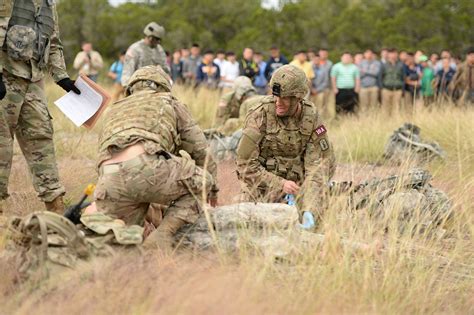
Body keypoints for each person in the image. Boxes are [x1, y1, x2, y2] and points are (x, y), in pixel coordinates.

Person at [94, 65, 218, 252]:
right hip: (146, 169)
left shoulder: (113, 110)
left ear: (131, 88)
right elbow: (201, 151)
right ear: (162, 86)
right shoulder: (168, 101)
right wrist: (212, 191)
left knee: (121, 249)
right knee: (204, 181)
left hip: (108, 181)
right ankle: (162, 235)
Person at [0, 0, 81, 214]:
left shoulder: (49, 4)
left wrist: (61, 76)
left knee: (42, 139)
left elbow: (53, 42)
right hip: (6, 74)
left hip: (33, 80)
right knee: (1, 145)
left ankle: (56, 212)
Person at [235, 65, 336, 227]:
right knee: (247, 227)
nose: (278, 102)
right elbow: (245, 165)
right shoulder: (259, 115)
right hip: (261, 188)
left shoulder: (311, 117)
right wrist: (280, 184)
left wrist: (310, 208)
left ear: (298, 98)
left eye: (285, 98)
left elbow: (318, 167)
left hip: (299, 189)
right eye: (276, 96)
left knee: (317, 225)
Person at [121, 22, 169, 86]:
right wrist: (127, 87)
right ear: (150, 37)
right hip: (138, 86)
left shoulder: (160, 50)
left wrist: (161, 69)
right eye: (157, 39)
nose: (159, 42)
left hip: (157, 87)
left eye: (160, 39)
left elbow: (166, 69)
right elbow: (127, 72)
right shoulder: (135, 49)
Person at [381, 48, 405, 114]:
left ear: (397, 54)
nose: (392, 56)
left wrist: (402, 90)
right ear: (388, 55)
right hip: (386, 90)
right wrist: (381, 88)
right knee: (386, 109)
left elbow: (403, 78)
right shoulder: (384, 65)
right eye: (391, 54)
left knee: (397, 109)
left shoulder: (401, 65)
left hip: (397, 90)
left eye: (394, 54)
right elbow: (380, 77)